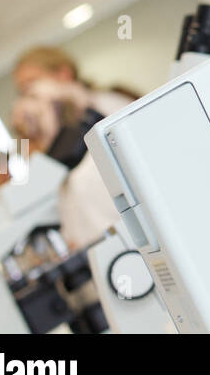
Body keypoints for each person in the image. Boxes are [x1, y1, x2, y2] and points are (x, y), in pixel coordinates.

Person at [9, 46, 133, 249]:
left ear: (63, 73)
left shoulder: (106, 109)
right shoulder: (65, 142)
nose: (27, 97)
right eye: (22, 91)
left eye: (31, 83)